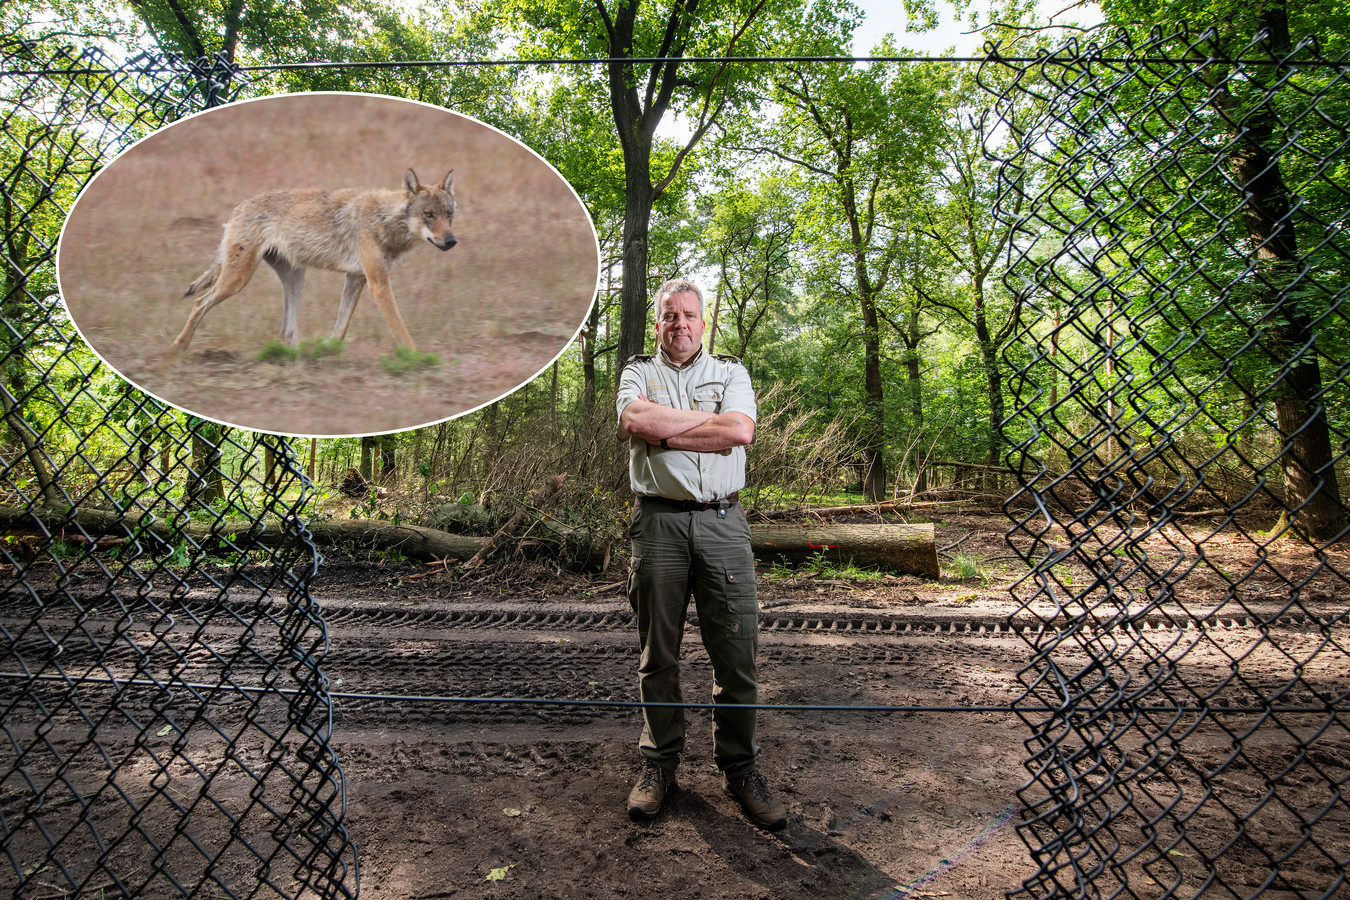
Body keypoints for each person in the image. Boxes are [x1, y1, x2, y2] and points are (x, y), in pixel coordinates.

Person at [615, 277, 786, 831]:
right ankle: (659, 766)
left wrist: (666, 434)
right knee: (657, 654)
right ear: (658, 321)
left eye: (689, 315)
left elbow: (739, 431)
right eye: (670, 316)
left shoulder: (731, 372)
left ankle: (740, 769)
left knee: (736, 657)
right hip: (657, 523)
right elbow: (634, 421)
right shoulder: (638, 372)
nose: (680, 324)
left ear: (703, 322)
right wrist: (695, 429)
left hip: (723, 523)